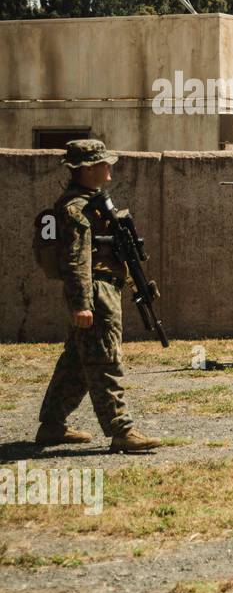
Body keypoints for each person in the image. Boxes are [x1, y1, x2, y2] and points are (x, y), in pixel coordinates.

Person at [34, 140, 160, 453]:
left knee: (77, 361)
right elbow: (76, 259)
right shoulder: (76, 209)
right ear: (88, 169)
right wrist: (82, 304)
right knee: (105, 358)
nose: (109, 168)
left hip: (102, 287)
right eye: (104, 163)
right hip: (96, 291)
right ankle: (122, 430)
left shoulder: (93, 202)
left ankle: (52, 425)